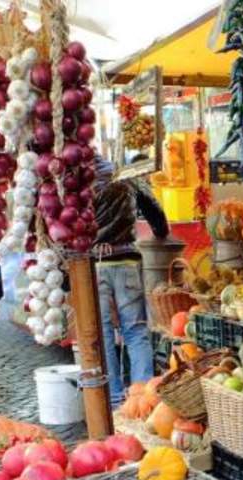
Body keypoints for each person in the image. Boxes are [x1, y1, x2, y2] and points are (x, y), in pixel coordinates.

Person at [92, 154, 169, 406]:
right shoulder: (123, 173)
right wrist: (160, 232)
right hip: (126, 261)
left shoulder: (78, 179)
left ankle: (114, 401)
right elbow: (156, 214)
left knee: (103, 334)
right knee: (136, 331)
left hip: (96, 264)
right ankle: (145, 399)